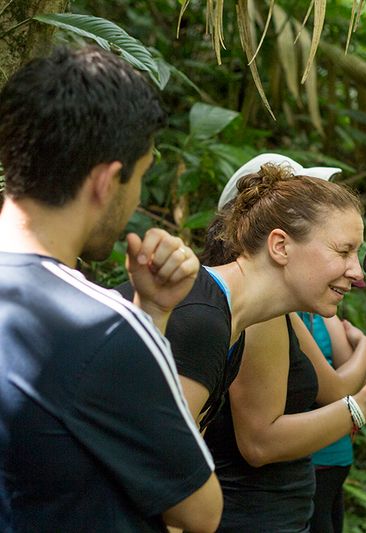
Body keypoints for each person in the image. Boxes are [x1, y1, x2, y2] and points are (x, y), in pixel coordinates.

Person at [0, 46, 222, 532]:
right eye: (140, 176)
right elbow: (200, 511)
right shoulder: (101, 329)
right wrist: (144, 323)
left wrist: (153, 309)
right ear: (106, 181)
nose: (138, 196)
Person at [200, 154, 366, 531]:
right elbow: (257, 443)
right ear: (279, 243)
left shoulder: (279, 310)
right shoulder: (251, 314)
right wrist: (362, 406)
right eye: (343, 251)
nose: (358, 272)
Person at [298, 312, 360, 533]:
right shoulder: (293, 319)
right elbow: (339, 391)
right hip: (315, 458)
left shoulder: (319, 316)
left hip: (329, 459)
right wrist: (365, 346)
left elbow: (357, 383)